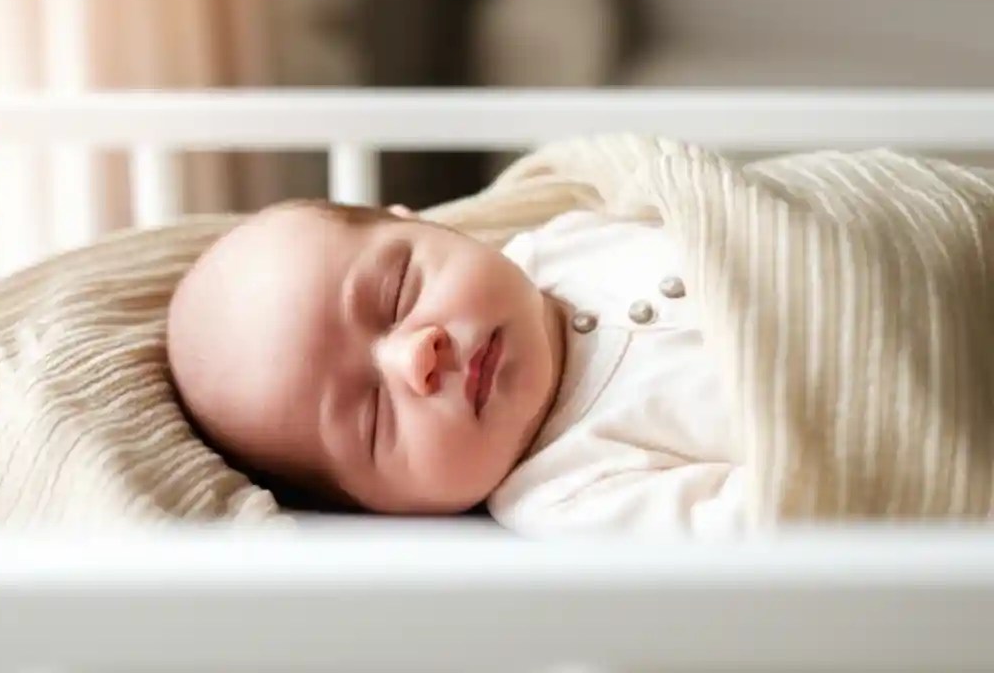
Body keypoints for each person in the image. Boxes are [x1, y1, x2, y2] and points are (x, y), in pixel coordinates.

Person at [166, 198, 741, 536]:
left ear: (427, 225)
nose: (416, 357)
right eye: (374, 419)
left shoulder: (566, 238)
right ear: (378, 509)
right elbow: (767, 525)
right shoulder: (570, 495)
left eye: (396, 294)